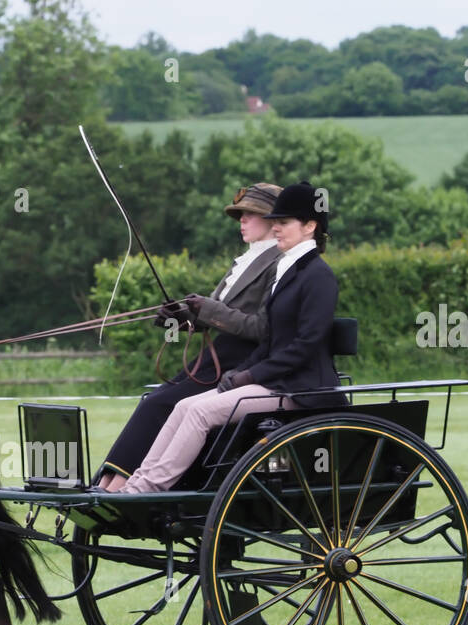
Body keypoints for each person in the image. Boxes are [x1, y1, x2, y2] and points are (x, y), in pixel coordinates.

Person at [119, 181, 345, 494]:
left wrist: (251, 374)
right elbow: (269, 340)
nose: (275, 228)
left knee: (199, 412)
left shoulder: (318, 276)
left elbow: (304, 348)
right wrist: (240, 373)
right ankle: (137, 483)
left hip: (301, 388)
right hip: (273, 382)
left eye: (283, 222)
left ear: (309, 226)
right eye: (274, 222)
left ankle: (149, 489)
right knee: (184, 405)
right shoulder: (286, 271)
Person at [95, 183, 284, 491]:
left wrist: (209, 311)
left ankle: (118, 486)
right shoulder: (245, 260)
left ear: (273, 220)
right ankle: (107, 482)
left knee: (158, 403)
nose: (242, 220)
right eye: (240, 215)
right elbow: (212, 315)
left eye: (250, 214)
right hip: (214, 357)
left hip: (240, 361)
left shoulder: (277, 263)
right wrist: (183, 318)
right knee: (153, 400)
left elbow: (260, 327)